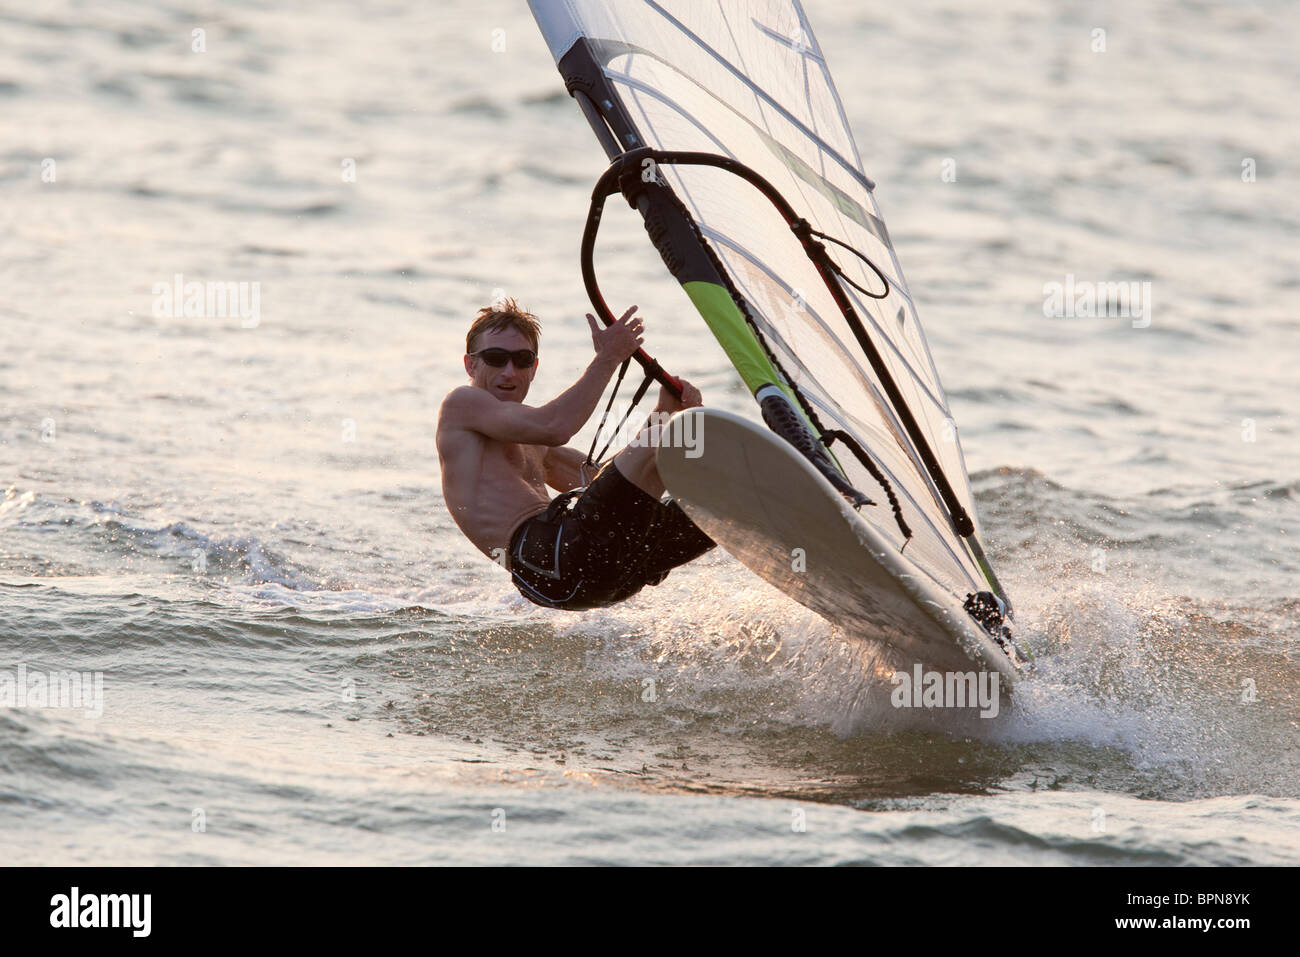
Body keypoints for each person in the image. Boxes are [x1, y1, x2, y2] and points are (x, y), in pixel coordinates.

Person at [436, 298, 715, 609]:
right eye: (496, 358)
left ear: (534, 368)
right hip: (549, 563)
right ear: (470, 365)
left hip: (606, 573)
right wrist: (608, 358)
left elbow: (608, 484)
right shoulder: (460, 406)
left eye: (522, 359)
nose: (510, 371)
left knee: (713, 505)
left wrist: (665, 412)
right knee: (669, 437)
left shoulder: (534, 441)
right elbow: (556, 426)